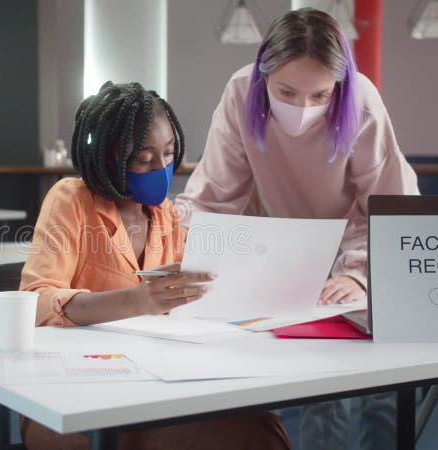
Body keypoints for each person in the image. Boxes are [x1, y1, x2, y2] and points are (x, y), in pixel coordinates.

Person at [174, 8, 419, 450]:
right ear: (263, 75)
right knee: (320, 384)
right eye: (287, 91)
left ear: (338, 88)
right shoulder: (240, 92)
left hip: (369, 247)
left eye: (320, 95)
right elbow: (212, 196)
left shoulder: (360, 100)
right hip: (294, 252)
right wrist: (172, 242)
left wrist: (358, 272)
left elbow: (392, 209)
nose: (303, 108)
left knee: (383, 390)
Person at [19, 81, 291, 450]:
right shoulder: (71, 200)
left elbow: (180, 304)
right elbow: (35, 303)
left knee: (258, 430)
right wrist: (138, 300)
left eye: (168, 154)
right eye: (144, 159)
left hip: (150, 381)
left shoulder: (165, 214)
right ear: (108, 156)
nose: (161, 168)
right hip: (68, 391)